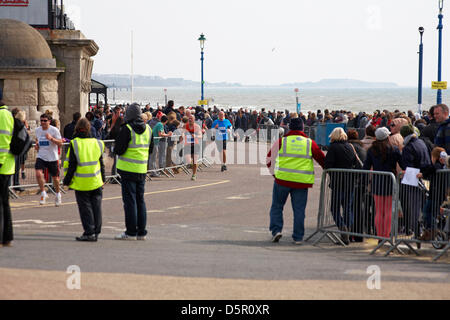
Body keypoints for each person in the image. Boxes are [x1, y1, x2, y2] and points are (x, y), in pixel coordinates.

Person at [266, 118, 325, 244]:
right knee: (299, 210)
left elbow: (269, 159)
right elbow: (322, 159)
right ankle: (298, 237)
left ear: (289, 128)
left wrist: (274, 173)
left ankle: (276, 231)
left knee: (277, 206)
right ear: (303, 128)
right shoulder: (309, 143)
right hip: (301, 182)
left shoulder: (282, 141)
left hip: (282, 180)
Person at [114, 103, 153, 240]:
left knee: (130, 202)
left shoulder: (127, 129)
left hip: (127, 169)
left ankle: (131, 232)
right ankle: (141, 232)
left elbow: (118, 150)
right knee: (140, 200)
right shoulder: (148, 128)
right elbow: (151, 149)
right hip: (142, 168)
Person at [63, 118, 105, 242]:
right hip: (96, 180)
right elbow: (101, 163)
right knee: (97, 207)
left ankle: (89, 232)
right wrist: (103, 179)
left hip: (82, 182)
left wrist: (67, 181)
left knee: (85, 208)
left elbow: (72, 165)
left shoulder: (75, 143)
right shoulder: (98, 143)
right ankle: (96, 231)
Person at [363, 127, 403, 240]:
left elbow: (366, 166)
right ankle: (386, 235)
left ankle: (380, 235)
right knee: (388, 210)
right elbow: (403, 163)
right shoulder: (394, 149)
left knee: (379, 211)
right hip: (390, 181)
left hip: (377, 181)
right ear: (387, 137)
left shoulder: (371, 150)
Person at [324, 127, 358, 244]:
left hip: (338, 182)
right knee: (348, 208)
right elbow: (355, 162)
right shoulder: (350, 146)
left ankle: (342, 227)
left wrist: (330, 172)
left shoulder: (333, 147)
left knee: (335, 208)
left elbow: (327, 164)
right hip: (350, 182)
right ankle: (348, 230)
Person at [399, 124, 432, 240]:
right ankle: (423, 230)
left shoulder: (408, 147)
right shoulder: (421, 142)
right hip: (424, 176)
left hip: (413, 178)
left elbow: (407, 164)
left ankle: (416, 231)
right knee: (422, 206)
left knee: (412, 206)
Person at [35, 113, 63, 206]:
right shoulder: (38, 130)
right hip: (41, 156)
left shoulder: (54, 130)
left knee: (55, 178)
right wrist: (37, 145)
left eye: (45, 121)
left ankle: (58, 194)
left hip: (52, 157)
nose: (43, 122)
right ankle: (43, 193)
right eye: (41, 120)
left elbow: (60, 143)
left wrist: (51, 138)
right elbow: (37, 140)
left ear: (49, 121)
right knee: (38, 174)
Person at [0, 95, 15, 248]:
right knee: (4, 203)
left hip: (2, 165)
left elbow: (3, 142)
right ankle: (7, 237)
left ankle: (3, 237)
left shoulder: (2, 115)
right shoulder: (7, 114)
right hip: (7, 165)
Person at [183, 115, 203, 180]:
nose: (190, 119)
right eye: (189, 118)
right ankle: (190, 164)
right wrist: (183, 135)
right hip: (187, 145)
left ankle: (194, 175)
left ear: (194, 119)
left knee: (195, 161)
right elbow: (183, 132)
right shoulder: (185, 126)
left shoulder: (197, 127)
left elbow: (200, 135)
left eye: (191, 118)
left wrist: (196, 136)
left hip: (195, 145)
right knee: (188, 160)